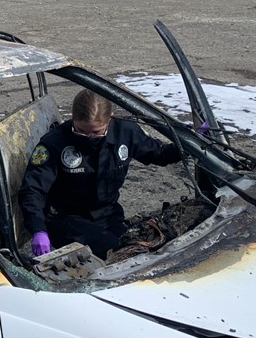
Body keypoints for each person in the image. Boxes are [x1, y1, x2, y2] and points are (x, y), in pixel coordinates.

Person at [18, 90, 183, 259]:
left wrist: (194, 141)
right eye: (81, 131)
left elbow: (161, 154)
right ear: (73, 117)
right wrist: (38, 229)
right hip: (66, 218)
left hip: (108, 215)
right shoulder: (54, 143)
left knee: (143, 244)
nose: (88, 137)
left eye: (96, 133)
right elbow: (33, 190)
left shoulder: (125, 133)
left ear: (109, 118)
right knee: (119, 253)